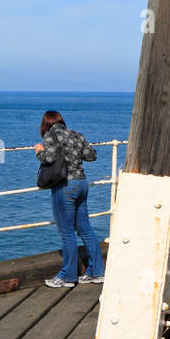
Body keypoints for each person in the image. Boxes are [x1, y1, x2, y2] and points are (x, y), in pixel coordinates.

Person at [35, 110, 106, 287]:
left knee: (66, 233)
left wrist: (39, 151)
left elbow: (49, 157)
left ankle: (67, 276)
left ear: (46, 124)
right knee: (85, 228)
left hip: (65, 186)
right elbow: (91, 155)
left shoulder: (51, 135)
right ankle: (96, 272)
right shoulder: (75, 134)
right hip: (82, 184)